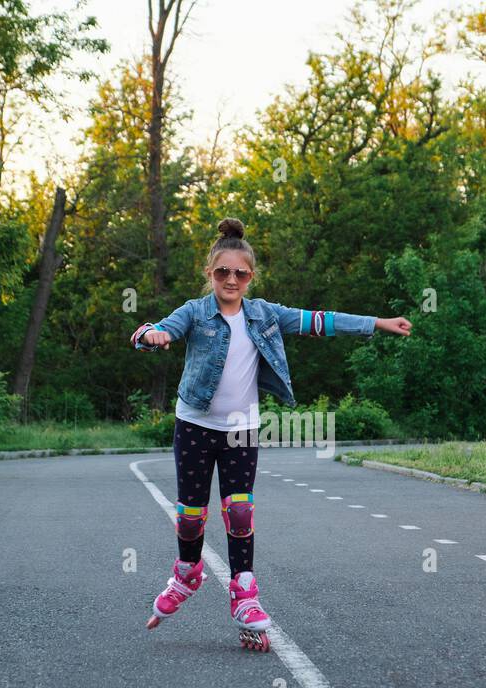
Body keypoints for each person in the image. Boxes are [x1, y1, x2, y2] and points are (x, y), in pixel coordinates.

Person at [130, 217, 412, 650]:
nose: (231, 279)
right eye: (222, 271)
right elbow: (153, 330)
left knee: (239, 512)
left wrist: (376, 323)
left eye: (240, 273)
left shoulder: (265, 315)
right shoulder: (194, 311)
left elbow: (321, 320)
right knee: (191, 516)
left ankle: (245, 596)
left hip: (242, 430)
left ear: (251, 277)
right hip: (195, 426)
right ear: (210, 273)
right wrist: (154, 336)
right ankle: (188, 574)